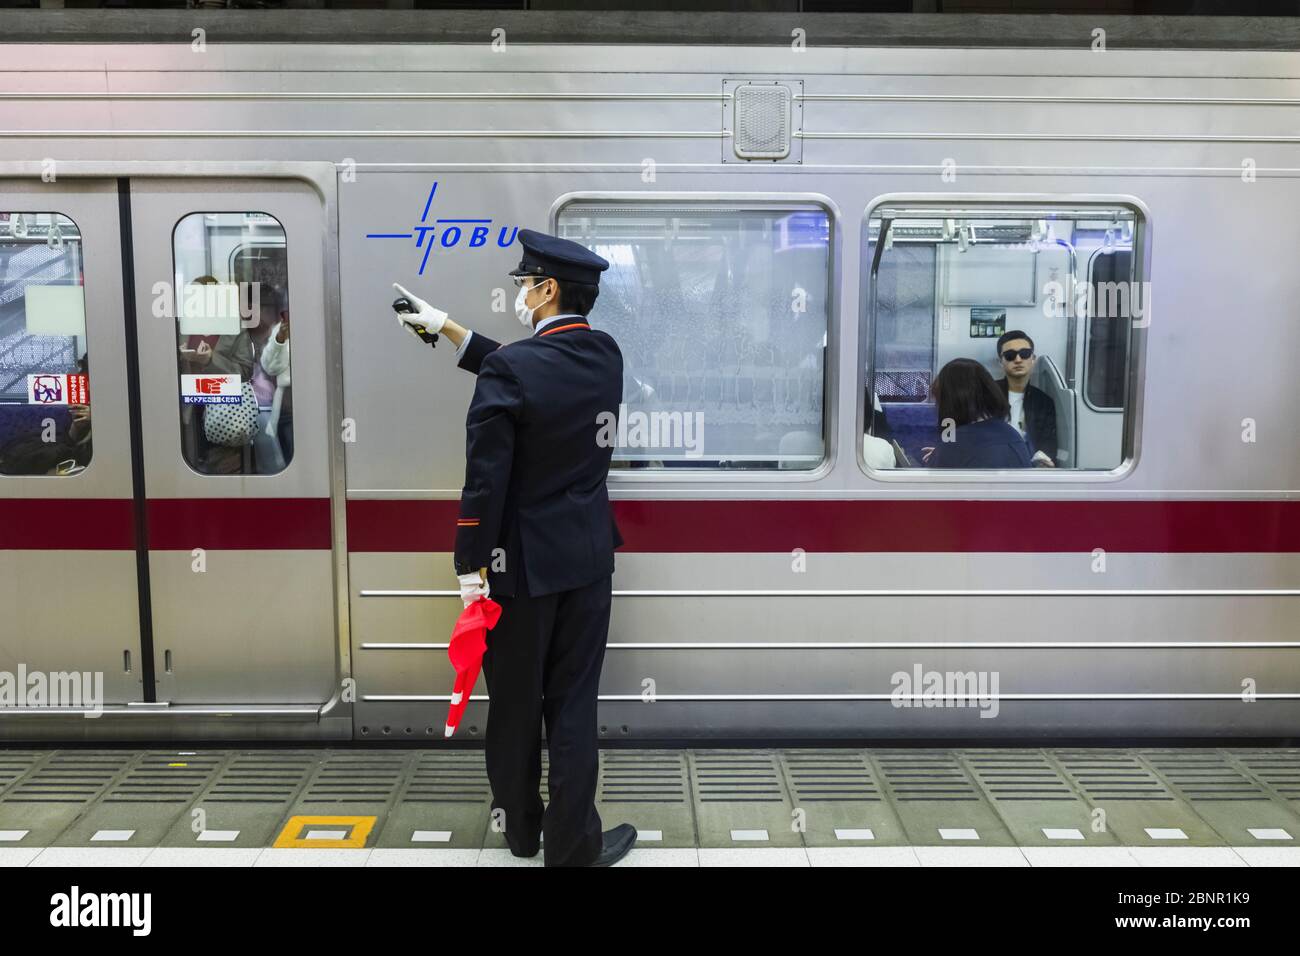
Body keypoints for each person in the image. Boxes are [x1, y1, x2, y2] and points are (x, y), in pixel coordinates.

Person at [390, 229, 635, 867]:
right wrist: (445, 329)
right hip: (587, 563)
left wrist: (469, 564)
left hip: (518, 573)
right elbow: (532, 369)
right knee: (575, 706)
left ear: (547, 289)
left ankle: (522, 832)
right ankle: (573, 845)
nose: (520, 294)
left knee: (517, 707)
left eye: (525, 284)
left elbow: (486, 481)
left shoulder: (513, 371)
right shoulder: (606, 354)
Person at [923, 358, 1032, 469]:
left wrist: (943, 455)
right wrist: (943, 453)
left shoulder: (957, 442)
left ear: (949, 400)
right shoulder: (1010, 433)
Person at [994, 330, 1057, 467]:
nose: (1018, 360)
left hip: (1028, 471)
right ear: (1000, 362)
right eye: (1010, 356)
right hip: (992, 467)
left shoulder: (1043, 401)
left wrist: (1043, 462)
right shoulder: (987, 394)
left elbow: (1048, 442)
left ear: (1033, 359)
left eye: (1024, 354)